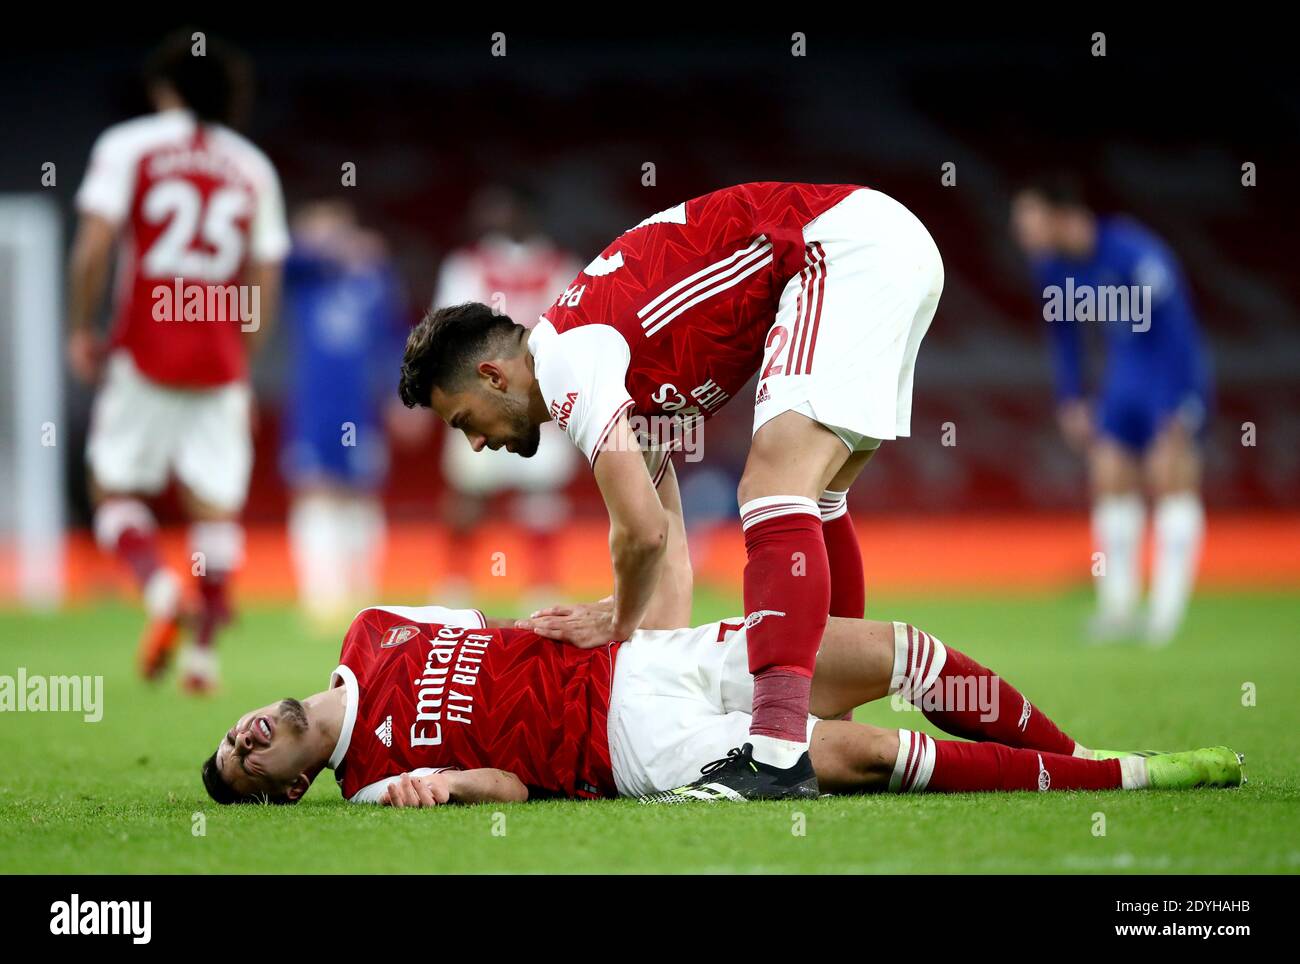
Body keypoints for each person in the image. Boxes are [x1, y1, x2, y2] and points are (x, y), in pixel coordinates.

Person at [201, 436, 1242, 807]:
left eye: (235, 729)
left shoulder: (372, 626)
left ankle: (1073, 756)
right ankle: (1131, 777)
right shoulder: (378, 781)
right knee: (865, 753)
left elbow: (494, 626)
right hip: (635, 744)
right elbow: (511, 782)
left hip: (646, 653)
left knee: (907, 655)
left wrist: (592, 613)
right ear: (289, 783)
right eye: (245, 761)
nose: (247, 732)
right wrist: (457, 783)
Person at [398, 182, 944, 799]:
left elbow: (641, 533)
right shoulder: (612, 372)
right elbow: (669, 550)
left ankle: (777, 751)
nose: (473, 444)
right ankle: (825, 727)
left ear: (493, 375)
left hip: (840, 251)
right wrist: (641, 683)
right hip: (879, 246)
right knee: (815, 501)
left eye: (465, 421)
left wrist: (615, 620)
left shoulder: (568, 363)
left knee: (772, 487)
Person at [68, 30, 289, 691]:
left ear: (164, 88)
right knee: (213, 505)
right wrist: (242, 352)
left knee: (111, 487)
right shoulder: (252, 165)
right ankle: (204, 660)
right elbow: (264, 278)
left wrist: (82, 326)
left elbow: (95, 246)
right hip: (219, 356)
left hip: (144, 349)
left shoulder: (128, 146)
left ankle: (161, 594)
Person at [1011, 175, 1212, 645]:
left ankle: (1166, 615)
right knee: (1110, 478)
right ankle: (1118, 609)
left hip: (1170, 373)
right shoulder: (1052, 269)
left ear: (1062, 216)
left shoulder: (1133, 251)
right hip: (1123, 378)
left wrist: (1175, 404)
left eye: (1028, 219)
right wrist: (1071, 397)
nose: (1020, 231)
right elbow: (1064, 336)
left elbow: (1177, 328)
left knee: (1171, 477)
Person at [431, 185, 581, 605]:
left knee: (541, 492)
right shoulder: (466, 265)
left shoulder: (560, 266)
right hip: (480, 397)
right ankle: (456, 582)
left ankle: (541, 585)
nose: (494, 218)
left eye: (503, 208)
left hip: (537, 398)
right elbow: (446, 331)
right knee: (468, 491)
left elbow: (574, 332)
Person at [279, 200, 407, 628]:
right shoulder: (305, 278)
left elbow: (393, 340)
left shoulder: (372, 279)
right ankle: (320, 598)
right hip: (313, 406)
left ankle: (362, 594)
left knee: (360, 493)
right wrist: (326, 246)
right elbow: (281, 257)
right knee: (313, 491)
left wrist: (403, 397)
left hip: (359, 408)